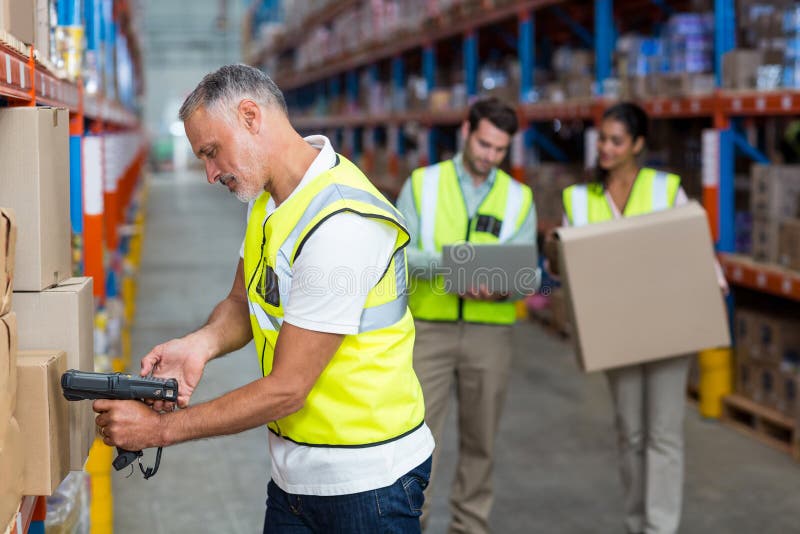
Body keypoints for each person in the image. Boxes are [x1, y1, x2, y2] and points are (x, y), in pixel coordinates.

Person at [92, 64, 435, 533]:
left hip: (367, 484)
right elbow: (242, 301)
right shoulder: (268, 203)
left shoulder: (341, 223)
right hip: (293, 477)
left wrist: (160, 430)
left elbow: (288, 387)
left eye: (212, 153)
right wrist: (201, 344)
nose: (210, 174)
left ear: (251, 116)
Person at [549, 102, 728, 534]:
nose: (605, 148)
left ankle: (659, 527)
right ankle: (636, 523)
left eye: (615, 140)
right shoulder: (581, 197)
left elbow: (692, 245)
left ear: (638, 144)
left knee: (664, 434)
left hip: (667, 331)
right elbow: (567, 264)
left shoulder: (665, 189)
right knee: (631, 434)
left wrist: (711, 283)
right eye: (602, 139)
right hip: (616, 333)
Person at [395, 97, 537, 534]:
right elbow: (401, 255)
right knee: (418, 442)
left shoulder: (519, 197)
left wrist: (501, 285)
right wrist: (456, 267)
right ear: (465, 132)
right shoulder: (423, 184)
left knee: (481, 443)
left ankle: (470, 527)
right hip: (430, 330)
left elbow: (528, 275)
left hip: (488, 333)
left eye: (499, 150)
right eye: (484, 145)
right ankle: (410, 525)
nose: (490, 157)